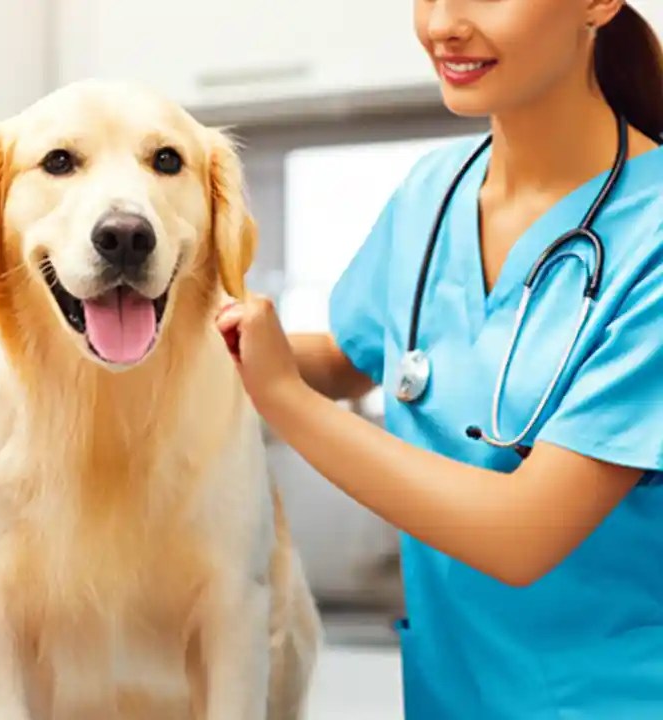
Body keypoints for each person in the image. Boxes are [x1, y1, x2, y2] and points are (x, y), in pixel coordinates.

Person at [218, 2, 663, 718]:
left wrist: (285, 402)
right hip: (450, 697)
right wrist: (199, 346)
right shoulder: (434, 190)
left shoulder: (654, 239)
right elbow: (351, 358)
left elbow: (523, 536)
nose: (443, 25)